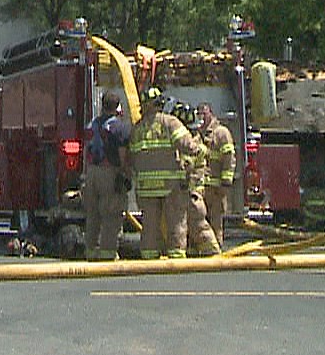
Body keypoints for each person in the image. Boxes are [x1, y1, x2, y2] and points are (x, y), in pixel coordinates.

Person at [127, 87, 204, 259]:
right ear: (160, 103)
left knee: (150, 224)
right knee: (176, 221)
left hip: (146, 188)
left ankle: (149, 256)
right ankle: (176, 255)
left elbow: (130, 158)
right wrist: (199, 147)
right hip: (171, 185)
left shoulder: (137, 129)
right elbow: (187, 145)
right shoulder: (170, 122)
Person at [82, 91, 132, 261]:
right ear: (117, 107)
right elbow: (122, 153)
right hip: (109, 172)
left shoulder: (91, 125)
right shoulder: (119, 127)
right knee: (111, 213)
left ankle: (90, 250)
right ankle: (107, 253)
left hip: (91, 172)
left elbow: (86, 150)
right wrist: (125, 172)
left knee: (93, 213)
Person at [187, 102, 235, 254]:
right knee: (197, 222)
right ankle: (196, 249)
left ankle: (216, 252)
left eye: (204, 113)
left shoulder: (221, 133)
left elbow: (229, 158)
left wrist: (226, 182)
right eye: (199, 113)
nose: (201, 117)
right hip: (200, 188)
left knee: (215, 222)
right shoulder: (196, 134)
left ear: (211, 113)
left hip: (215, 188)